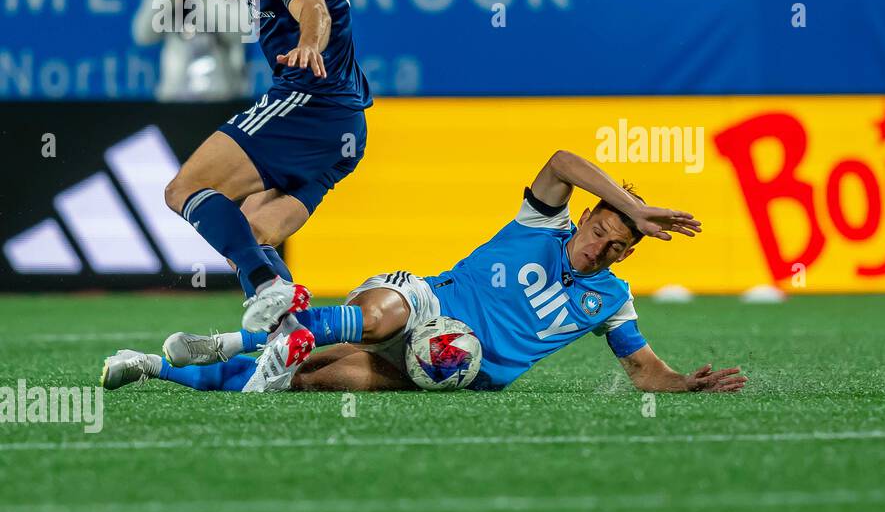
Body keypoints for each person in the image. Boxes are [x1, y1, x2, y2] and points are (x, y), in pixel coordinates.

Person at [101, 150, 747, 396]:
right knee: (382, 316)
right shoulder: (542, 224)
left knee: (315, 380)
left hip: (444, 367)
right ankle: (289, 332)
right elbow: (560, 160)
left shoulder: (612, 300)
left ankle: (162, 364)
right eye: (600, 226)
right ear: (585, 218)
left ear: (627, 257)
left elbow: (642, 370)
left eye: (616, 243)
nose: (601, 244)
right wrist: (634, 205)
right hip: (426, 304)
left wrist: (685, 385)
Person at [119, 0, 371, 333]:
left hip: (307, 103)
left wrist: (310, 43)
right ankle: (294, 338)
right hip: (346, 126)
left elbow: (311, 4)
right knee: (250, 230)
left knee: (184, 189)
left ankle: (268, 288)